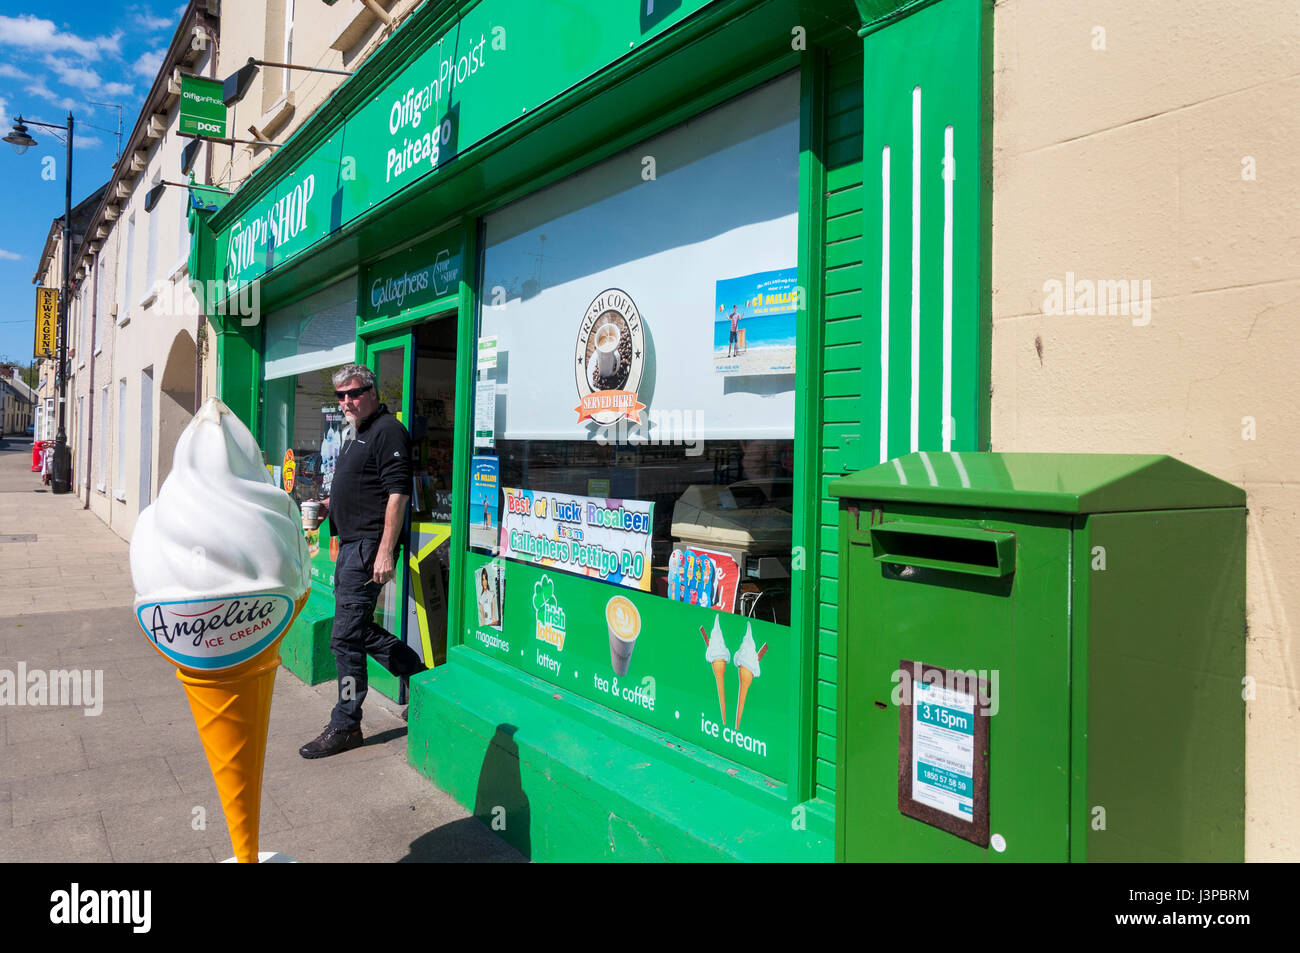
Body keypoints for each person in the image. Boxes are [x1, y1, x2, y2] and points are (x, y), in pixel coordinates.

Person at [299, 363, 427, 758]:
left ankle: (346, 723)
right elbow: (358, 489)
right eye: (341, 396)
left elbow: (397, 494)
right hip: (351, 545)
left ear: (372, 391)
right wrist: (324, 505)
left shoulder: (388, 431)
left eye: (353, 393)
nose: (347, 401)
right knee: (355, 629)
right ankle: (421, 680)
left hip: (369, 547)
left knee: (344, 637)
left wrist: (386, 550)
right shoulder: (357, 433)